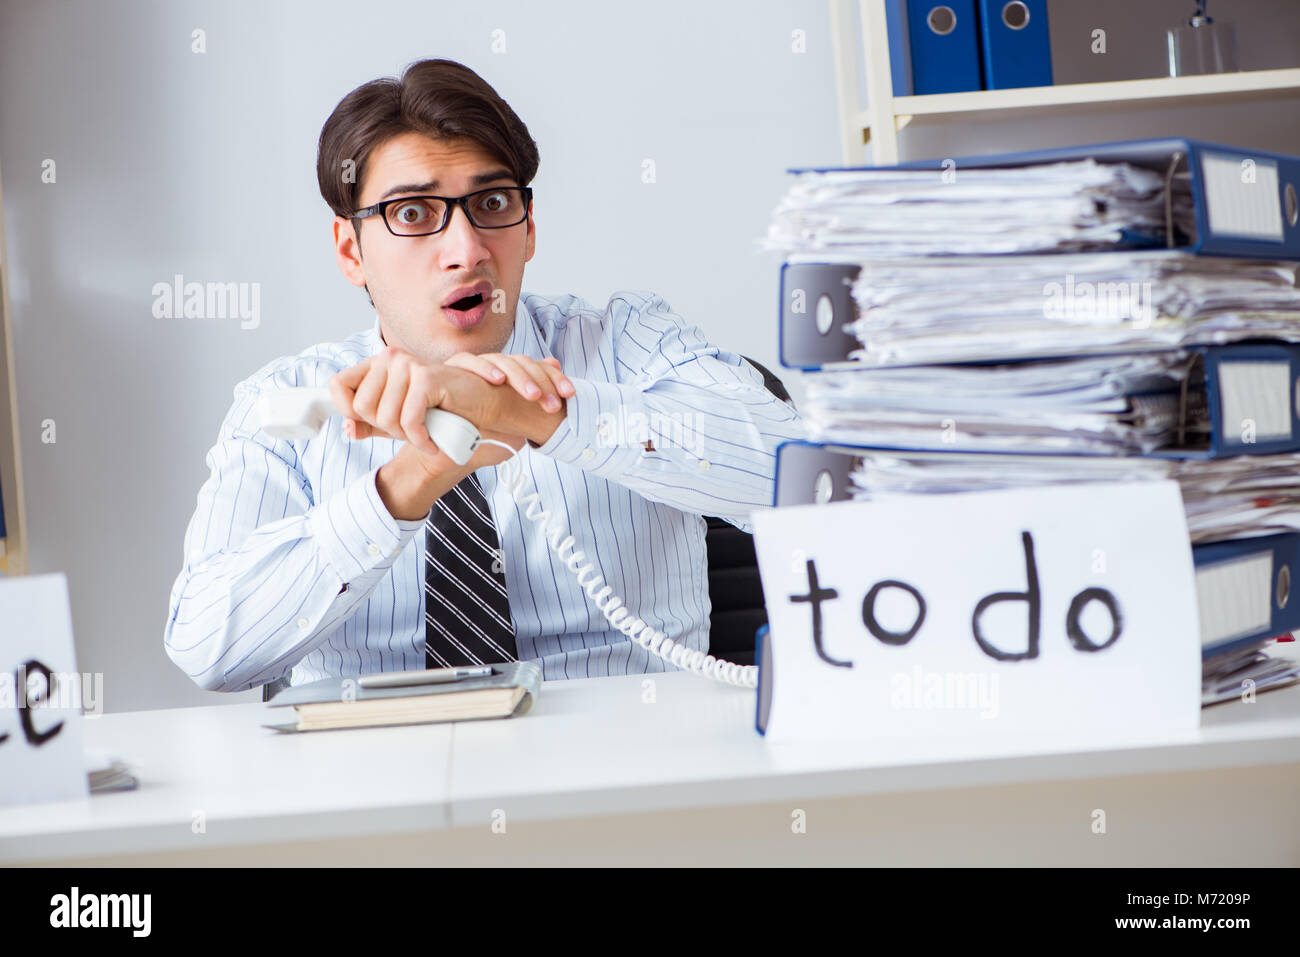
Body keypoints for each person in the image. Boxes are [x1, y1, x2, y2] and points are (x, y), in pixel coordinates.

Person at [163, 58, 805, 692]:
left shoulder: (627, 339)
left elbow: (809, 481)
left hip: (620, 766)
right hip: (376, 771)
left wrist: (530, 412)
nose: (467, 250)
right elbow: (209, 649)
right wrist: (406, 484)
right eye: (413, 214)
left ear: (528, 229)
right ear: (351, 250)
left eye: (492, 203)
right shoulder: (287, 401)